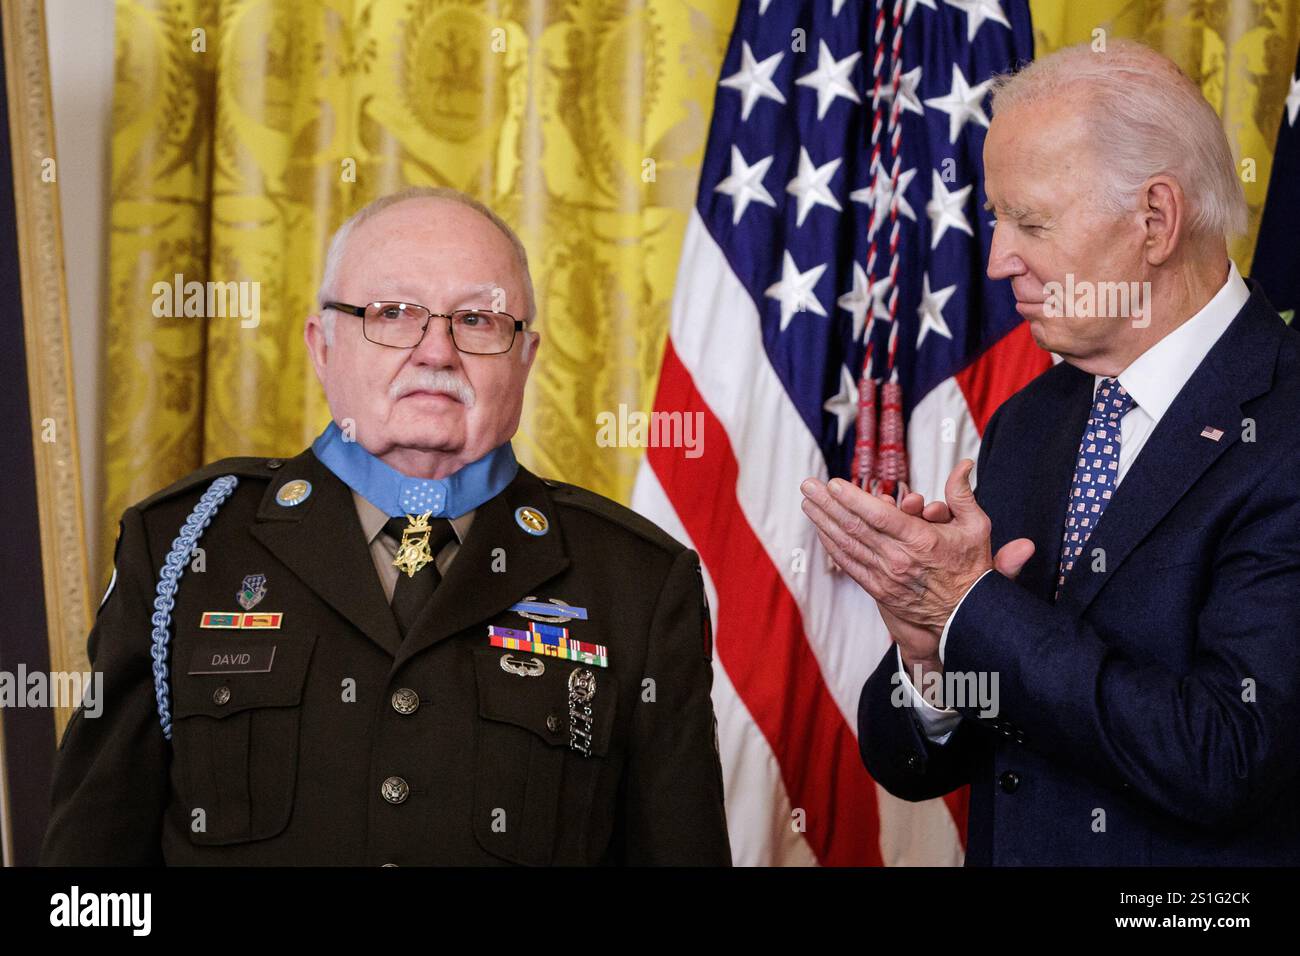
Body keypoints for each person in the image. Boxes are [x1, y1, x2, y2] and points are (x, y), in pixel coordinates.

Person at [42, 186, 731, 866]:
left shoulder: (637, 583)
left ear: (526, 358)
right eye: (393, 313)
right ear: (323, 344)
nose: (436, 352)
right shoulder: (182, 548)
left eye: (479, 320)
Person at [801, 40, 1300, 865]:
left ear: (1156, 221)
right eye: (999, 219)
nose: (1000, 260)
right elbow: (916, 762)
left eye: (1030, 222)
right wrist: (931, 657)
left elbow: (1228, 755)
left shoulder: (1281, 425)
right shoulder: (1027, 421)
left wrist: (971, 609)